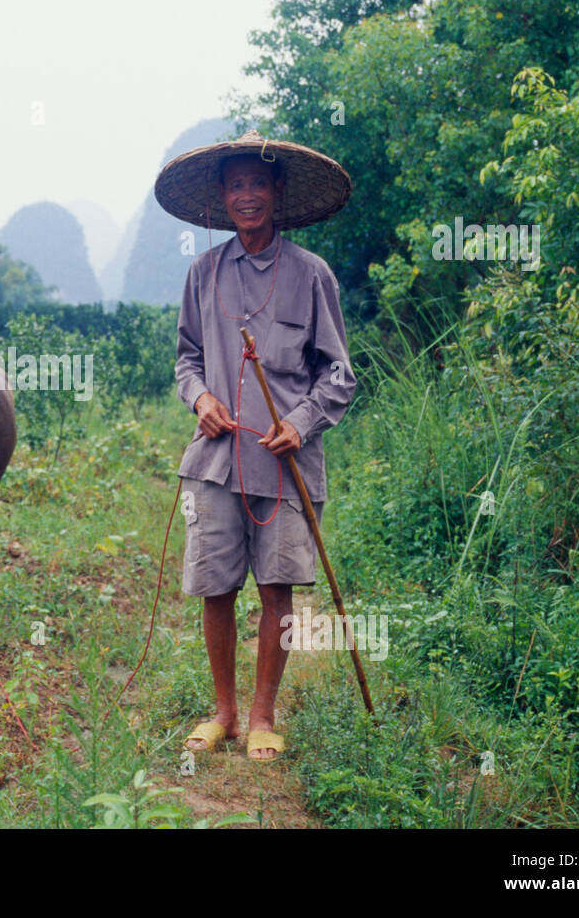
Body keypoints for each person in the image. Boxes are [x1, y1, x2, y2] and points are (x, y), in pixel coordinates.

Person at [153, 131, 356, 760]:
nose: (247, 196)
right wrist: (200, 400)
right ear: (221, 197)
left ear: (277, 193)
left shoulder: (311, 274)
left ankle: (264, 717)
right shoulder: (203, 273)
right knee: (217, 586)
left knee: (277, 589)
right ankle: (224, 714)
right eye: (235, 185)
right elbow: (187, 359)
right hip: (215, 462)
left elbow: (340, 374)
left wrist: (300, 421)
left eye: (257, 184)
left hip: (285, 464)